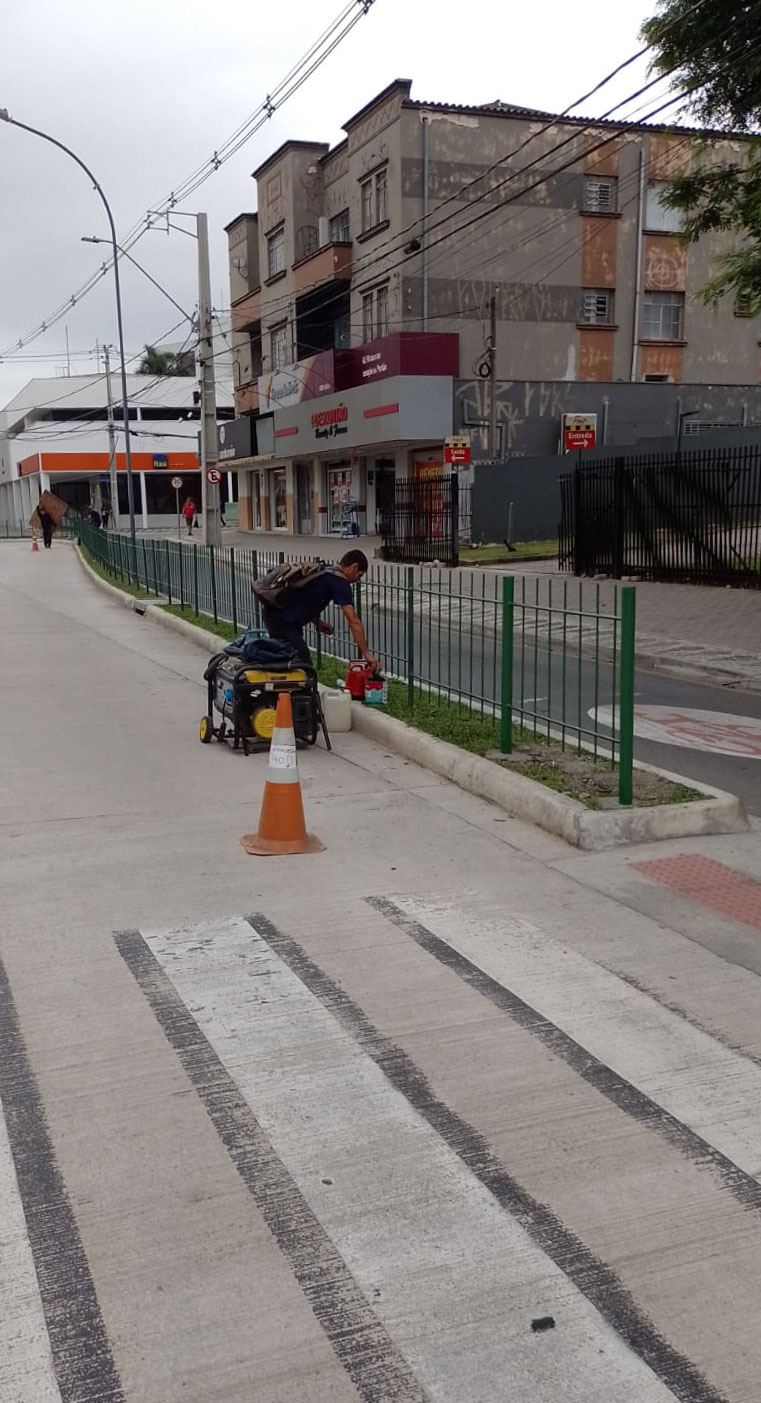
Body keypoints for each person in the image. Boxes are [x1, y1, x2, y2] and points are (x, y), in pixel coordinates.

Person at [262, 549, 379, 671]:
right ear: (354, 567)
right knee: (302, 664)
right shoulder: (340, 583)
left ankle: (277, 686)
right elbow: (353, 620)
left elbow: (304, 598)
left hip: (276, 615)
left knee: (289, 658)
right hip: (282, 621)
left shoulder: (325, 570)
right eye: (359, 575)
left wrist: (318, 622)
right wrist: (366, 653)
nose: (357, 580)